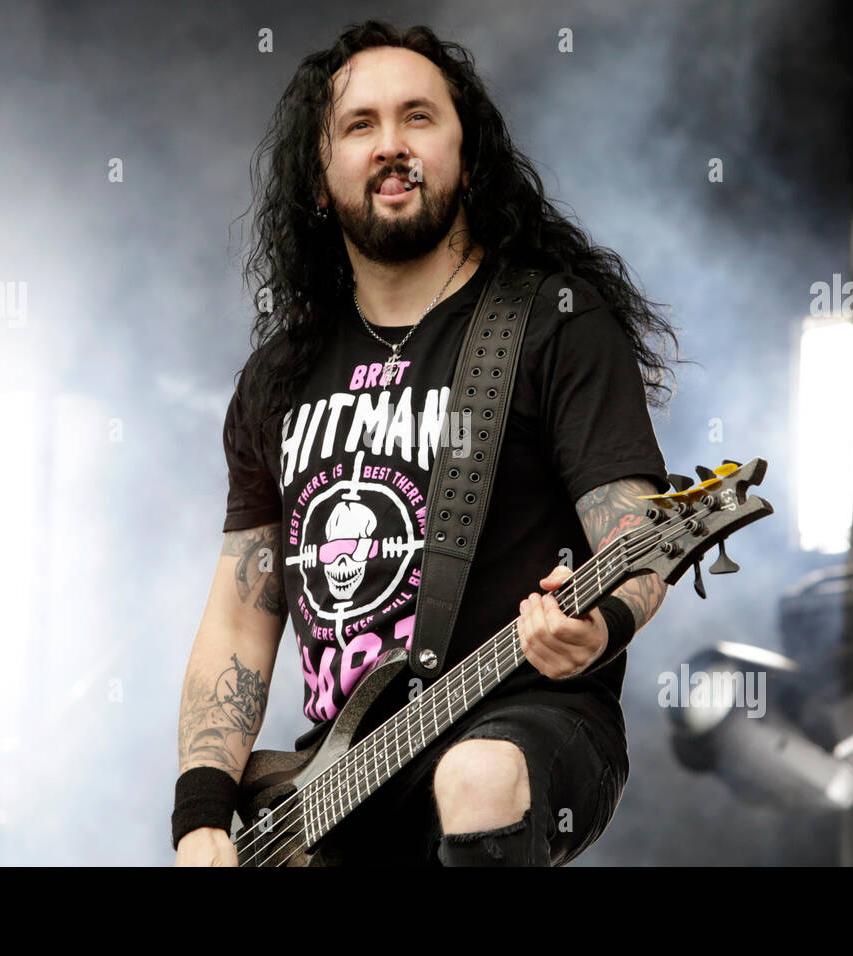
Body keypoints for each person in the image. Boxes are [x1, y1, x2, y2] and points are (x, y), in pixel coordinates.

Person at [174, 19, 681, 867]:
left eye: (419, 117)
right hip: (338, 773)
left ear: (467, 156)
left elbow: (640, 532)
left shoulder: (552, 325)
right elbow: (240, 613)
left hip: (528, 718)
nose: (391, 144)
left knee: (477, 773)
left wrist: (604, 623)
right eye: (360, 125)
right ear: (320, 181)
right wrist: (200, 818)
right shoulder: (278, 376)